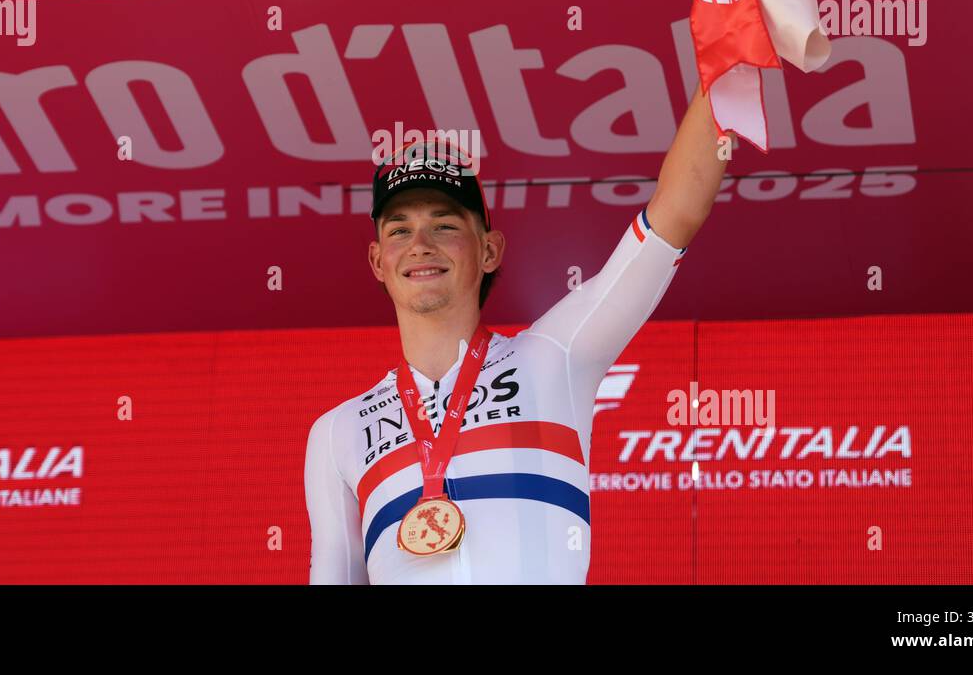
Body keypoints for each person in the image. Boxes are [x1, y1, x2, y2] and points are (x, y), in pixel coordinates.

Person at [304, 86, 730, 583]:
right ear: (378, 262)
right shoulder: (338, 431)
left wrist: (722, 68)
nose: (419, 245)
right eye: (399, 230)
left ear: (489, 250)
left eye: (444, 226)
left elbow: (673, 216)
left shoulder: (554, 358)